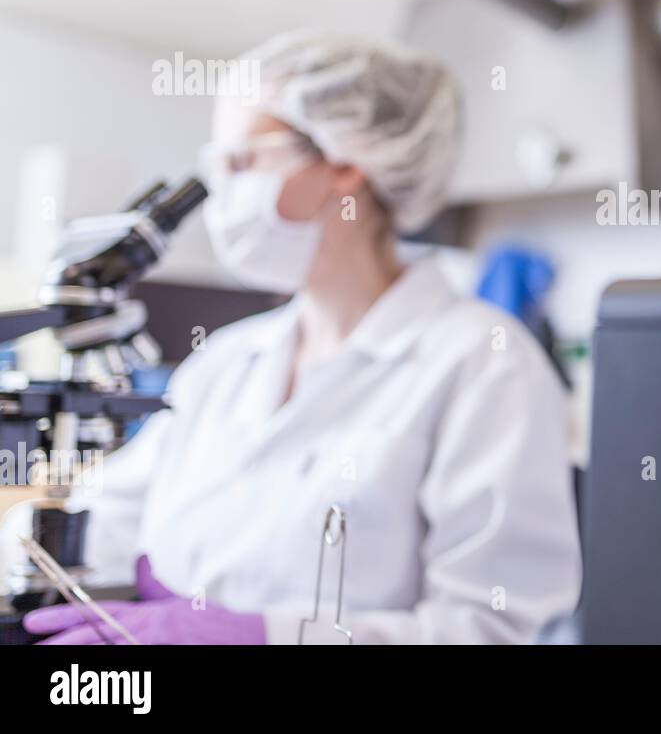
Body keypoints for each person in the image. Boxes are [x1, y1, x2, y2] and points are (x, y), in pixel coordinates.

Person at [24, 32, 582, 644]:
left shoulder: (484, 364)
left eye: (243, 163)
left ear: (346, 162)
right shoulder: (225, 361)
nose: (222, 201)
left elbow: (490, 629)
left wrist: (261, 637)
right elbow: (100, 526)